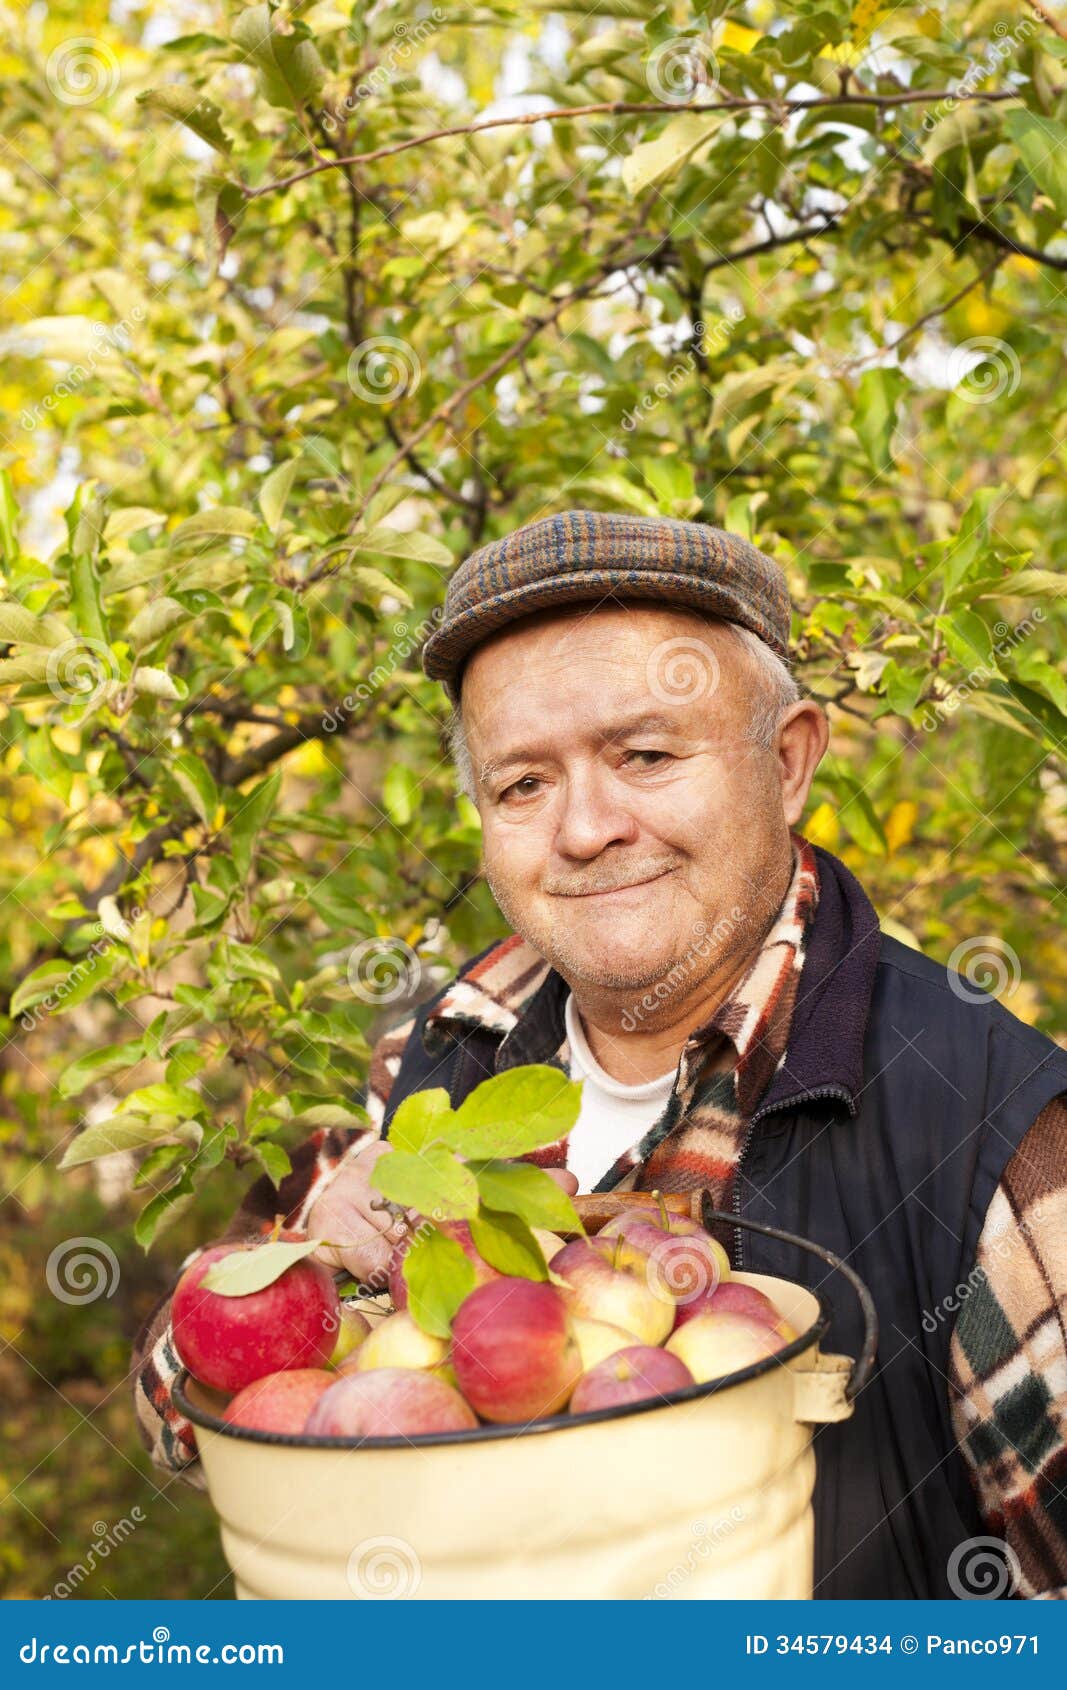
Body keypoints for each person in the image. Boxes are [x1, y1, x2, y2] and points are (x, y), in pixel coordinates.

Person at [131, 510, 1067, 1599]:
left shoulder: (995, 1138)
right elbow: (181, 1423)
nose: (583, 828)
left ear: (788, 762)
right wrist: (310, 1260)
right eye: (521, 783)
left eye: (646, 755)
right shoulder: (429, 1063)